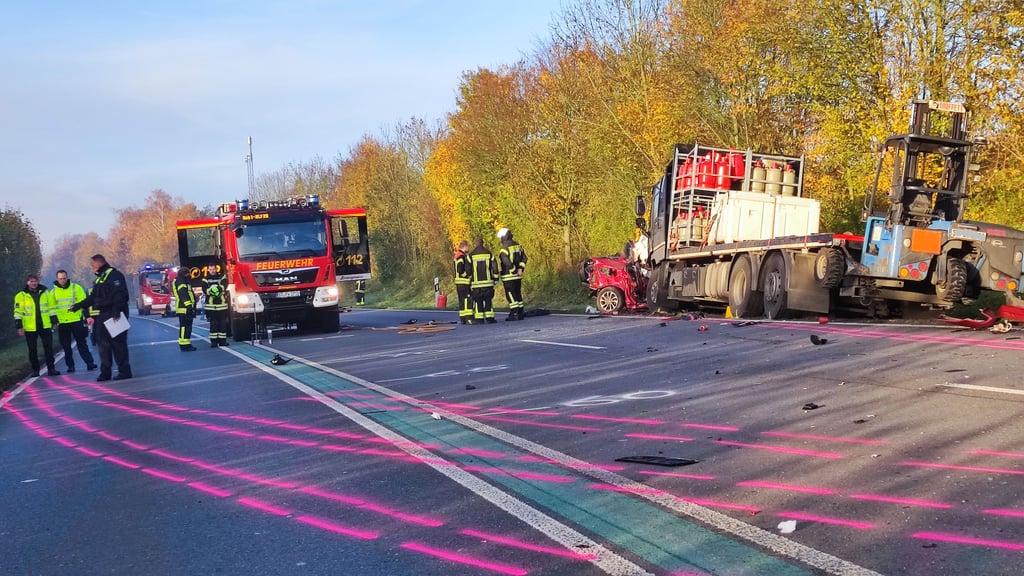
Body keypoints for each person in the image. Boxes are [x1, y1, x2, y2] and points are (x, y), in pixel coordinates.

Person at [69, 254, 132, 381]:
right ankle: (105, 372)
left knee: (118, 344)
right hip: (102, 315)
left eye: (92, 265)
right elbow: (93, 297)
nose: (92, 267)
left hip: (114, 314)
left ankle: (124, 371)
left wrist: (116, 311)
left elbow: (120, 294)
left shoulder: (114, 275)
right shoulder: (99, 279)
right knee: (103, 346)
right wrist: (78, 306)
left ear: (98, 263)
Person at [49, 270, 97, 372]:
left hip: (76, 320)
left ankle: (90, 363)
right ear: (57, 279)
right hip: (62, 322)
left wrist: (87, 316)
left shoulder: (76, 288)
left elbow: (84, 303)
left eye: (64, 278)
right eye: (60, 278)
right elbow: (51, 308)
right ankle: (70, 366)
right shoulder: (52, 292)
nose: (63, 280)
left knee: (82, 343)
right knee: (66, 346)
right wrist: (54, 320)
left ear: (67, 277)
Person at [13, 274, 60, 377]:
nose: (33, 283)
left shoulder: (46, 293)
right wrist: (19, 326)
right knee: (32, 349)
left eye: (35, 281)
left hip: (45, 325)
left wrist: (54, 319)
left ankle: (51, 369)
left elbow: (52, 308)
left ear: (38, 281)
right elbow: (18, 312)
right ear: (27, 282)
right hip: (30, 327)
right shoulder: (20, 296)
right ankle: (35, 370)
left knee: (48, 348)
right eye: (31, 281)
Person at [497, 228, 528, 321]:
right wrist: (520, 269)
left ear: (503, 237)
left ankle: (514, 312)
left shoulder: (504, 249)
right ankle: (520, 312)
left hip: (508, 275)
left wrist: (514, 270)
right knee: (517, 293)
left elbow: (507, 262)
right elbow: (524, 258)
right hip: (518, 275)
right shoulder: (518, 245)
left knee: (510, 293)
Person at [469, 237, 498, 324]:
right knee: (488, 300)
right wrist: (496, 278)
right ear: (483, 243)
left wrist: (470, 278)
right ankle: (489, 318)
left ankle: (479, 319)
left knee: (478, 301)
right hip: (488, 283)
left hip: (476, 284)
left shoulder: (471, 255)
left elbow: (467, 269)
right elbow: (495, 266)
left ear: (475, 244)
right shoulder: (489, 253)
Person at [202, 264, 230, 347]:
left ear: (216, 269)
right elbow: (204, 289)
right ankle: (214, 342)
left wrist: (216, 290)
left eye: (213, 269)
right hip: (211, 306)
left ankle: (222, 341)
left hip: (222, 305)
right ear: (208, 270)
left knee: (223, 324)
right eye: (210, 269)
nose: (212, 271)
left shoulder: (221, 277)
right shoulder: (205, 279)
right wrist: (214, 292)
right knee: (213, 325)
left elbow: (224, 285)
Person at [173, 267, 198, 351]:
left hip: (184, 307)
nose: (189, 276)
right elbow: (183, 293)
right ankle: (184, 344)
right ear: (185, 274)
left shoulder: (181, 280)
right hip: (184, 308)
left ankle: (186, 343)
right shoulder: (181, 281)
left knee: (186, 326)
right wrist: (189, 305)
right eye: (188, 274)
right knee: (185, 326)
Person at [453, 240, 473, 324]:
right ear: (465, 247)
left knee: (462, 300)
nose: (469, 248)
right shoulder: (461, 256)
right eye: (468, 246)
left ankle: (463, 318)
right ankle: (468, 318)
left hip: (459, 282)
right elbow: (460, 269)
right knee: (467, 299)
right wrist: (467, 275)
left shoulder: (457, 255)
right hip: (463, 282)